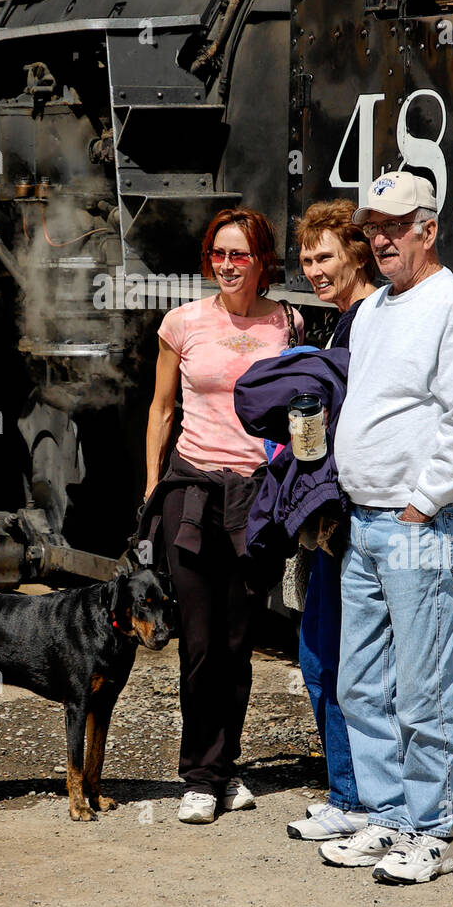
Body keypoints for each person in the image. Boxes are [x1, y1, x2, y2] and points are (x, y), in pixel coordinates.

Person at [321, 170, 453, 883]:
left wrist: (422, 502)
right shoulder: (374, 310)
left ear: (429, 229)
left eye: (396, 225)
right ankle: (388, 816)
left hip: (414, 526)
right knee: (360, 686)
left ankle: (432, 832)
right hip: (364, 524)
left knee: (422, 690)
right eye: (373, 226)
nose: (381, 238)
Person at [143, 206, 303, 824]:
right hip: (191, 490)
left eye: (240, 254)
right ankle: (200, 777)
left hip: (255, 497)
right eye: (218, 254)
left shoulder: (287, 323)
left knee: (239, 643)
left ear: (262, 261)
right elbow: (160, 410)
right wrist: (152, 489)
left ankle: (225, 767)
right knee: (201, 642)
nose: (228, 265)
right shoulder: (182, 323)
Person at [284, 198, 378, 842]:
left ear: (356, 253)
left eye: (326, 256)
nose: (314, 269)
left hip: (354, 521)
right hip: (329, 521)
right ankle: (347, 792)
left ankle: (363, 800)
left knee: (348, 666)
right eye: (307, 258)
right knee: (319, 659)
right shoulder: (344, 322)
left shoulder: (373, 319)